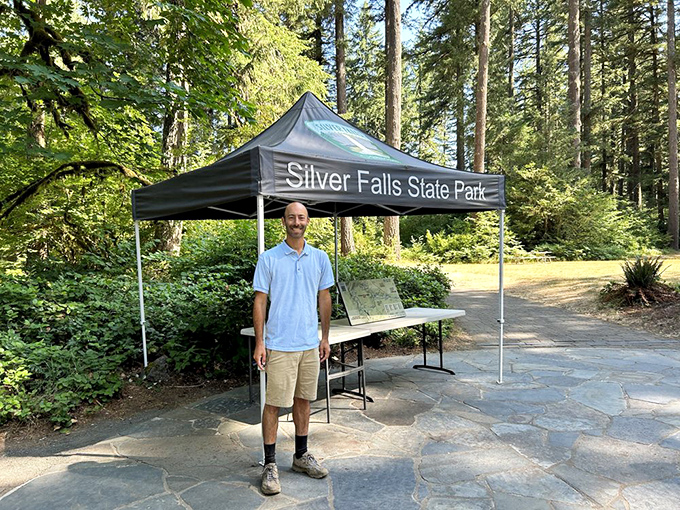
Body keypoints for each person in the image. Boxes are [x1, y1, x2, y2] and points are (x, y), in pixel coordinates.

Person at [252, 201, 334, 496]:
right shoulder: (270, 258)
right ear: (283, 222)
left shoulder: (320, 257)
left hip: (309, 344)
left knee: (303, 400)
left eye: (301, 217)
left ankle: (301, 456)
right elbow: (260, 301)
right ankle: (270, 464)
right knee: (273, 403)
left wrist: (324, 337)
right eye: (291, 217)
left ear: (308, 221)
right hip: (279, 344)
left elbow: (324, 298)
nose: (296, 222)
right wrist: (260, 342)